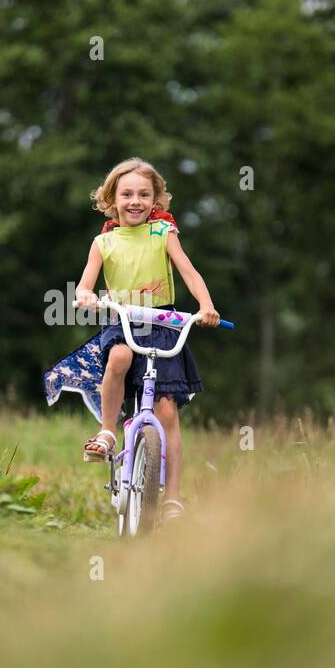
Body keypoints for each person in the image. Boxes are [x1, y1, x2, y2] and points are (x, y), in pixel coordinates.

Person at [43, 157, 220, 519]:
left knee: (167, 410)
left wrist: (206, 305)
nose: (135, 201)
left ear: (156, 200)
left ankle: (171, 497)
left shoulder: (163, 234)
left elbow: (188, 271)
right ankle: (108, 430)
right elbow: (86, 283)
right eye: (126, 194)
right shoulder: (103, 242)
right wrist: (86, 296)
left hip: (163, 321)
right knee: (119, 357)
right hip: (123, 319)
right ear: (112, 199)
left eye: (143, 194)